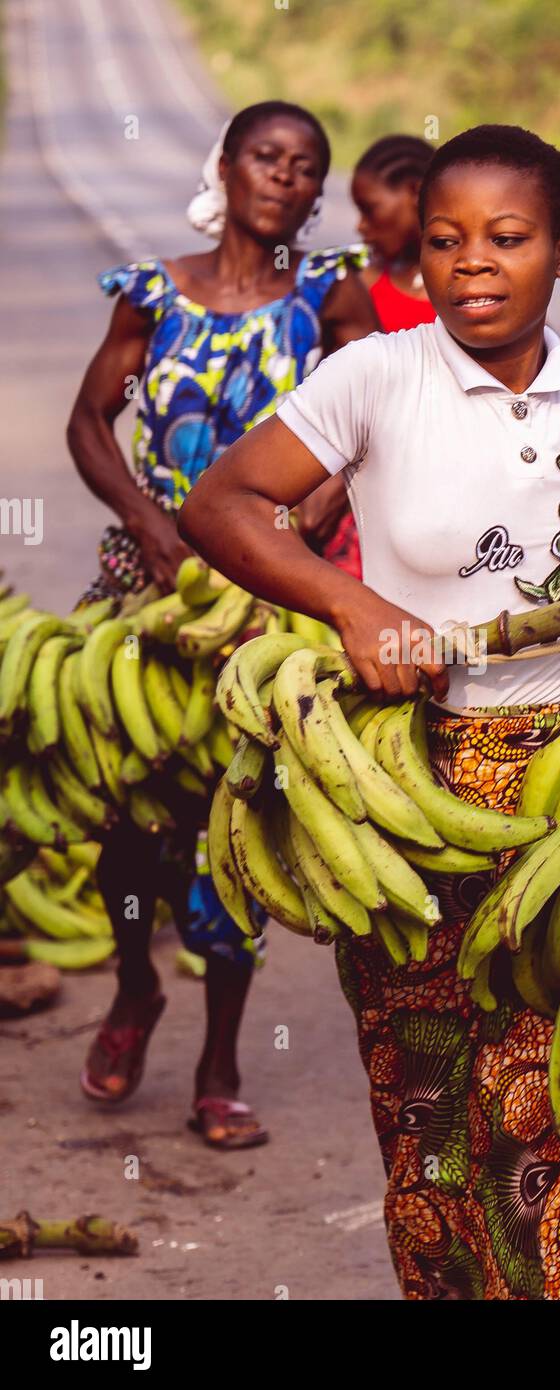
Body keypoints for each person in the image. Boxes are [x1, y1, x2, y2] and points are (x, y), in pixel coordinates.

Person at [180, 124, 560, 1299]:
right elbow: (224, 504)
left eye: (507, 239)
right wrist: (353, 609)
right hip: (421, 794)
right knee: (433, 1122)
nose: (473, 264)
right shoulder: (375, 377)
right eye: (445, 241)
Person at [66, 100, 378, 1148]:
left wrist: (306, 524)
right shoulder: (152, 294)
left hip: (270, 602)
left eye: (303, 166)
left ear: (314, 192)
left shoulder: (329, 294)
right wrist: (147, 522)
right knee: (128, 830)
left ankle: (219, 1059)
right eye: (264, 157)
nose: (282, 178)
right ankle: (130, 992)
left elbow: (377, 414)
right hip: (147, 592)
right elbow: (87, 419)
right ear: (227, 167)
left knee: (235, 826)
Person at [298, 134, 437, 579]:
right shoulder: (355, 283)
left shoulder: (466, 289)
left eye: (370, 210)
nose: (360, 227)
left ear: (416, 190)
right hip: (362, 487)